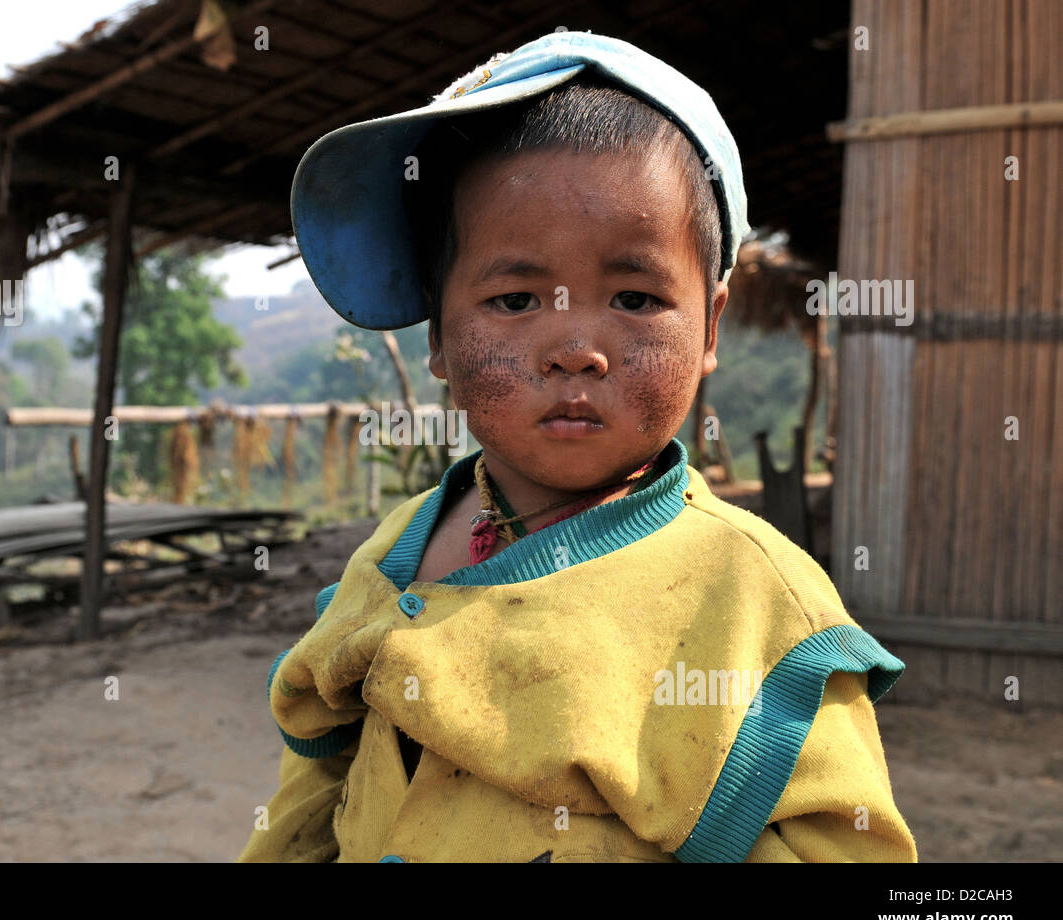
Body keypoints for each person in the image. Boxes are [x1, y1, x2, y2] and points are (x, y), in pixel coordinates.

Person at [237, 29, 917, 863]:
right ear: (439, 337)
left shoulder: (757, 609)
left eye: (633, 296)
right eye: (516, 298)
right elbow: (312, 787)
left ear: (712, 322)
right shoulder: (392, 556)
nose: (574, 347)